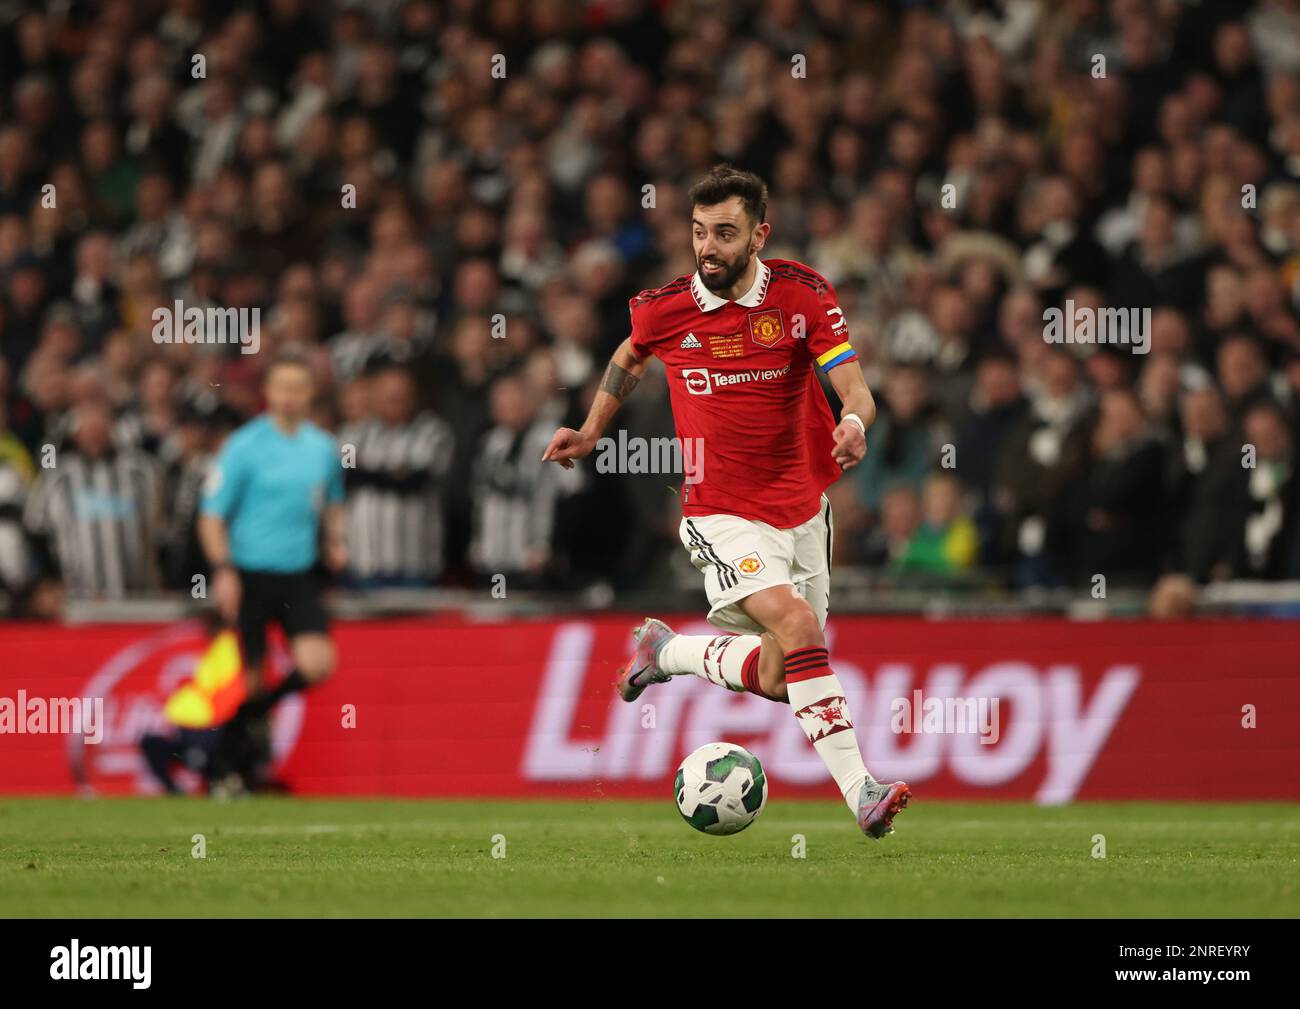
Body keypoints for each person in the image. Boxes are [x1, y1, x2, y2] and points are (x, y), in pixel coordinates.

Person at [542, 165, 911, 840]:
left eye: (725, 233)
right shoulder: (666, 306)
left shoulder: (802, 296)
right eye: (698, 232)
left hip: (802, 507)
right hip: (721, 511)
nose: (707, 247)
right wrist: (593, 427)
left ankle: (668, 652)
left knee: (779, 675)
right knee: (798, 626)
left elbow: (856, 389)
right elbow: (631, 350)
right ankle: (863, 790)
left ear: (759, 235)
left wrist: (853, 424)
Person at [197, 349, 345, 784]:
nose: (290, 397)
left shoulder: (323, 448)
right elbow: (211, 515)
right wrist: (223, 569)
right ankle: (246, 770)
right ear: (267, 392)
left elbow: (333, 503)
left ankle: (233, 735)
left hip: (297, 575)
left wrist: (335, 540)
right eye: (282, 387)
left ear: (310, 394)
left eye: (298, 388)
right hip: (250, 574)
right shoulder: (243, 447)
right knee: (254, 679)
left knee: (318, 663)